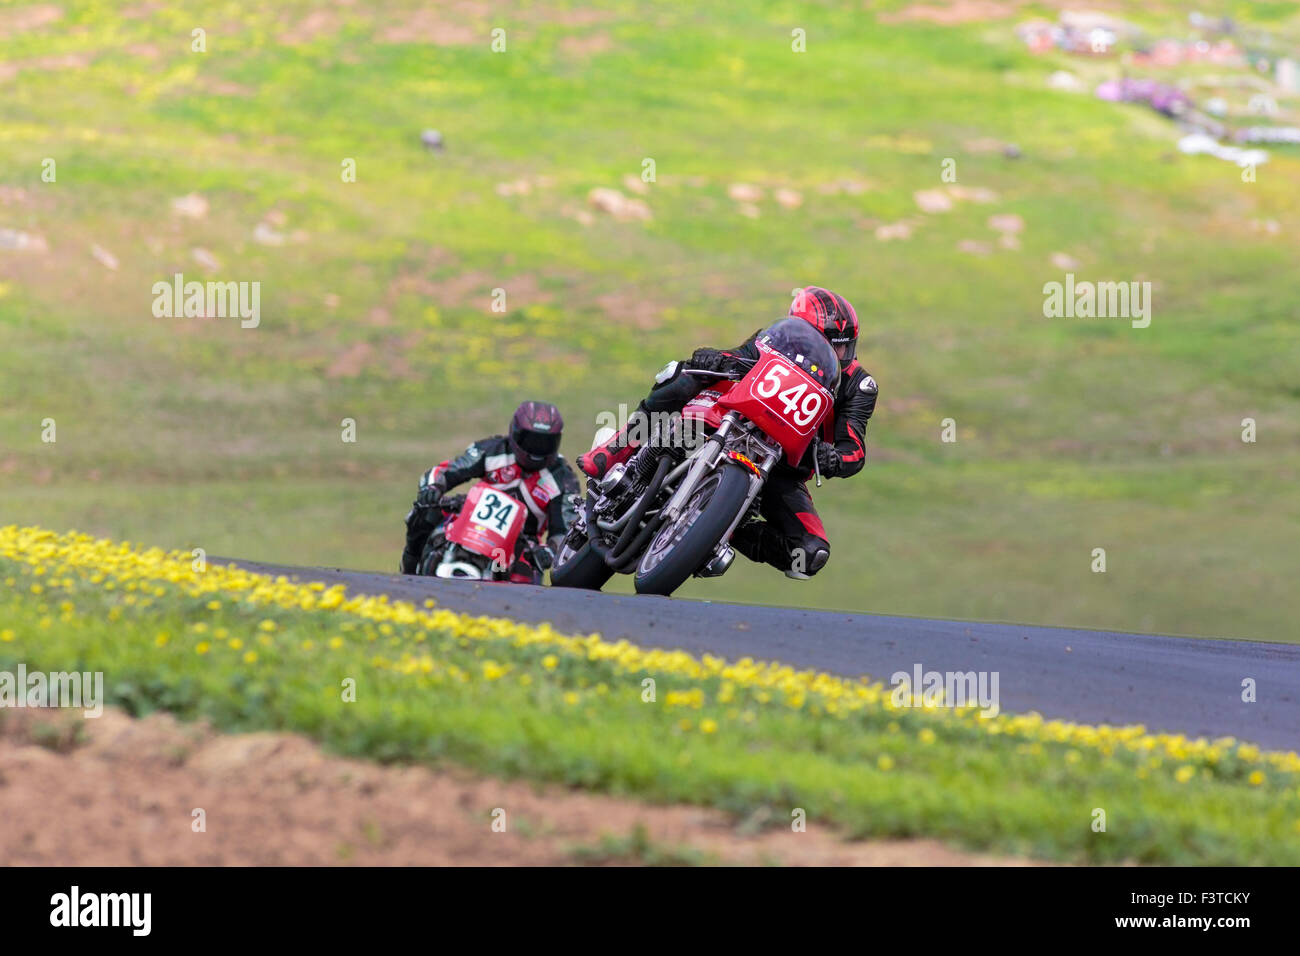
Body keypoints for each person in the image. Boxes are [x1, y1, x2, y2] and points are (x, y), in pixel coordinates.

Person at [578, 287, 877, 579]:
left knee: (809, 555)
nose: (836, 354)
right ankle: (617, 447)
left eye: (843, 347)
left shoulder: (859, 386)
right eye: (828, 343)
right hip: (732, 418)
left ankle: (722, 527)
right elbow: (740, 356)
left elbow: (855, 449)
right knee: (682, 374)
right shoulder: (778, 339)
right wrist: (713, 358)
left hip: (782, 469)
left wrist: (834, 459)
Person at [402, 400, 580, 581]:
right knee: (422, 512)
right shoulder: (492, 450)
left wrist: (550, 550)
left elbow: (566, 530)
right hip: (470, 519)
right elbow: (448, 471)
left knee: (528, 581)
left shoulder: (563, 478)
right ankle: (409, 572)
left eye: (545, 443)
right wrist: (433, 487)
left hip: (523, 542)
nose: (537, 449)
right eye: (531, 440)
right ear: (515, 432)